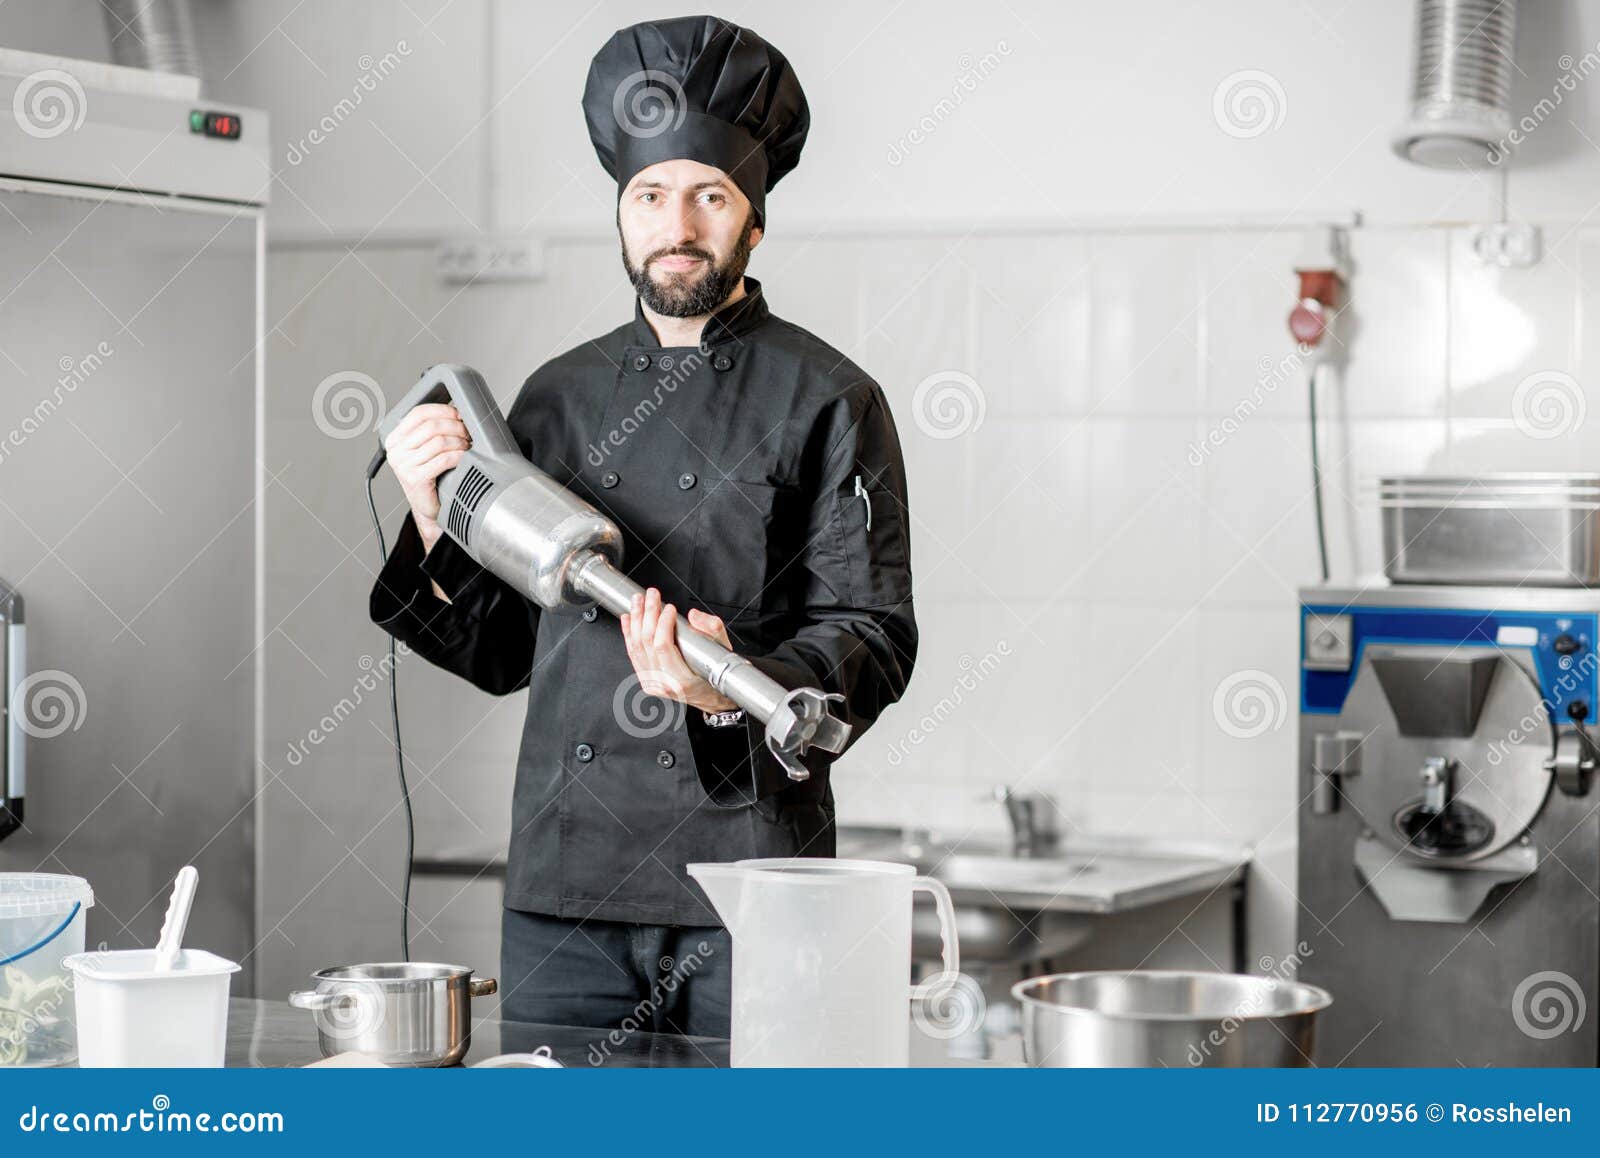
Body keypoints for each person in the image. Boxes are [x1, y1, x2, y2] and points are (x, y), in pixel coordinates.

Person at [369, 15, 916, 1039]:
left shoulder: (831, 397)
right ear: (620, 215)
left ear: (754, 222)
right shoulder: (555, 397)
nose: (678, 223)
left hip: (749, 884)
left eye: (710, 195)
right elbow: (496, 653)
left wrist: (722, 689)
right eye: (649, 195)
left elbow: (874, 636)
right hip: (564, 888)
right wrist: (432, 505)